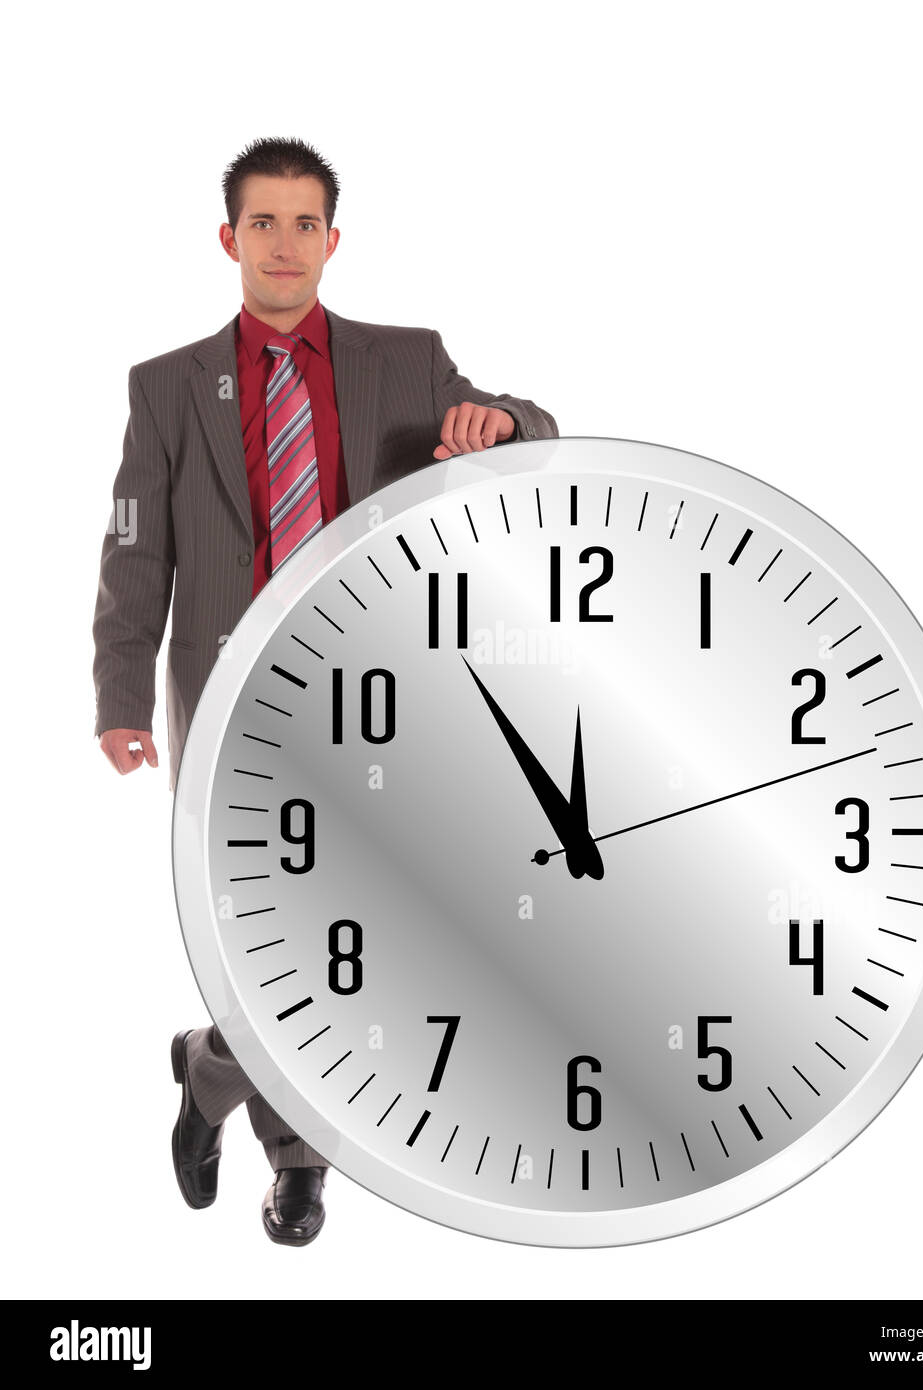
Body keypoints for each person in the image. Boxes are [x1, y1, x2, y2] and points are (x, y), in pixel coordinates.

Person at [92, 137, 559, 1246]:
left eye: (307, 223)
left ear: (332, 240)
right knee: (276, 941)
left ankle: (210, 1073)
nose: (286, 244)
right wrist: (119, 693)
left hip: (380, 699)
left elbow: (532, 433)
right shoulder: (165, 388)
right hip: (231, 698)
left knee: (360, 948)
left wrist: (500, 424)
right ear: (230, 239)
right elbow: (133, 551)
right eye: (265, 223)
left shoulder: (406, 360)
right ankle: (299, 1167)